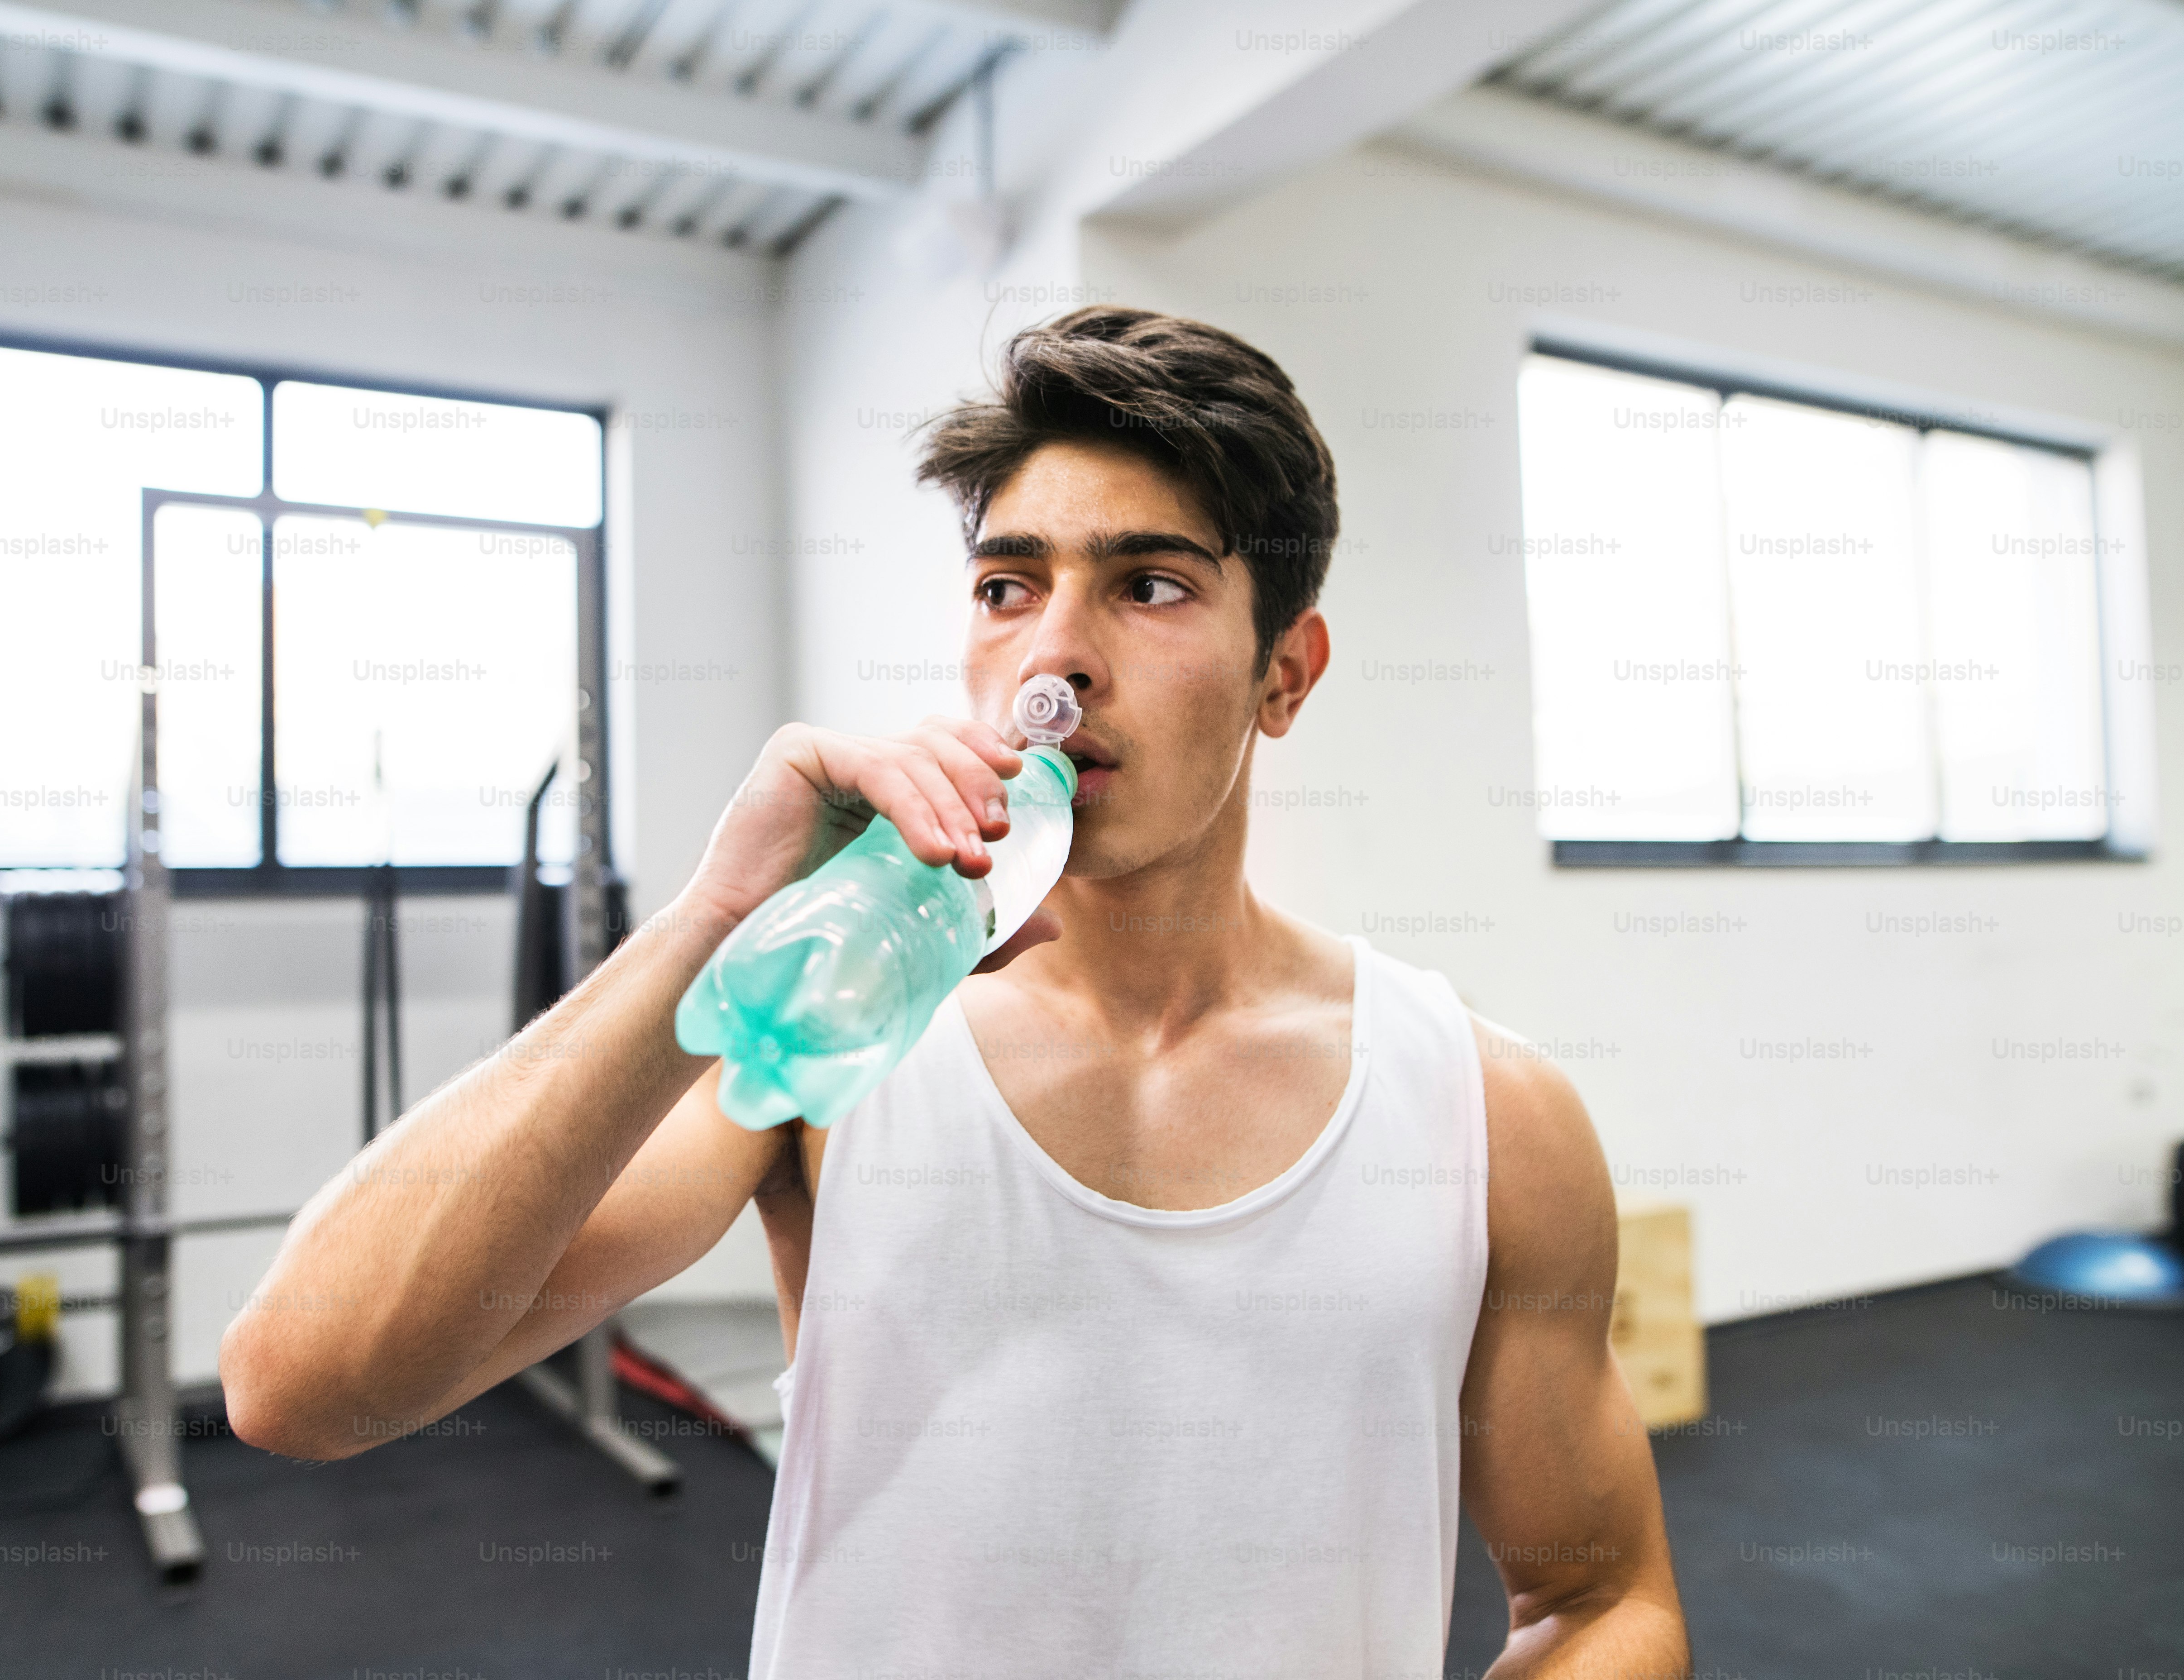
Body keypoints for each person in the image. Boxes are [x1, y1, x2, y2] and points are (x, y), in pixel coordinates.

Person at [221, 307, 1691, 1678]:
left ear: (1284, 676)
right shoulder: (827, 1051)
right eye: (1009, 585)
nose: (1055, 655)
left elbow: (1604, 1599)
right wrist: (715, 921)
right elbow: (303, 1385)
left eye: (1151, 585)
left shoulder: (1485, 1113)